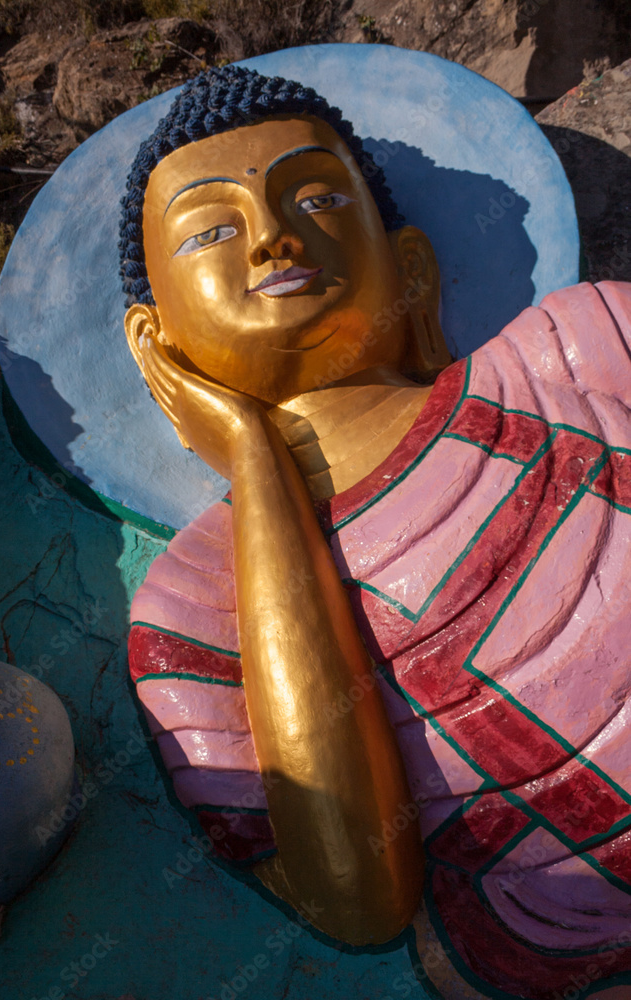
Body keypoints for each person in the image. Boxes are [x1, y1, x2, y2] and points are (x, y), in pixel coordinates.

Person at [120, 65, 631, 998]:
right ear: (154, 343)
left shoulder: (579, 348)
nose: (274, 238)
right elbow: (358, 895)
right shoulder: (190, 607)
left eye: (317, 198)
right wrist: (255, 460)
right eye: (212, 231)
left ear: (412, 266)